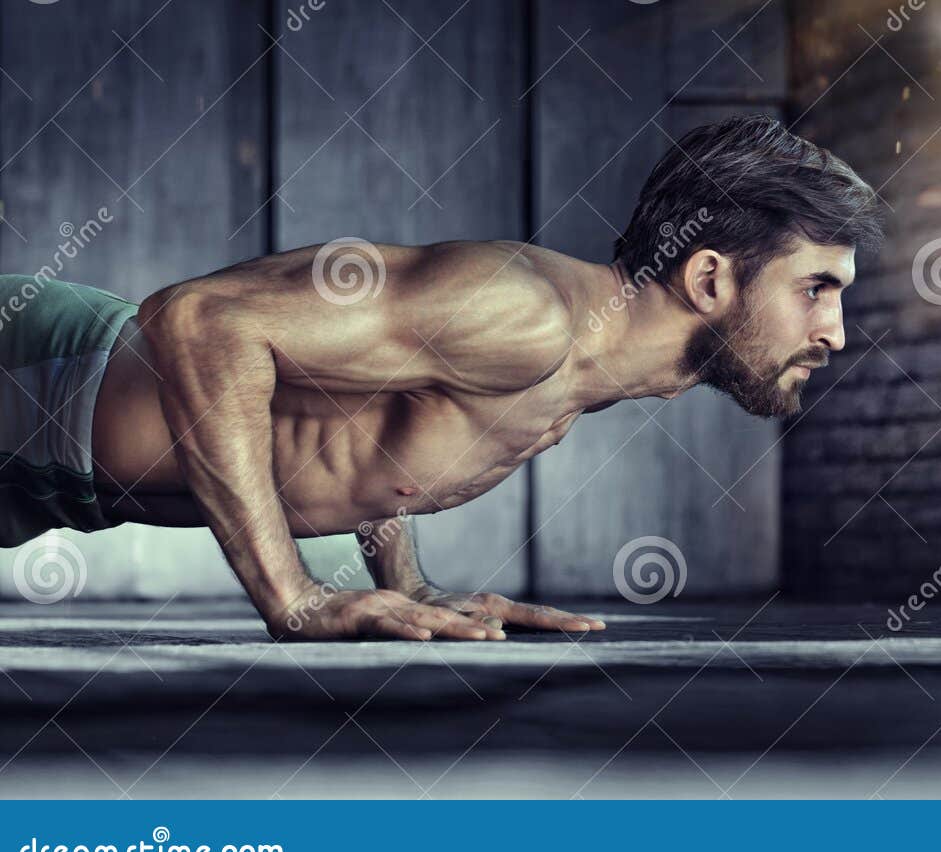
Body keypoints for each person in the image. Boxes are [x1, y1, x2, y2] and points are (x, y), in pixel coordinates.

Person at [0, 115, 882, 641]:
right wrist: (294, 598)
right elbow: (200, 322)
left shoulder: (580, 373)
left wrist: (406, 589)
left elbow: (369, 421)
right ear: (710, 280)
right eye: (816, 290)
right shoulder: (525, 315)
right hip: (33, 375)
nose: (835, 333)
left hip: (48, 478)